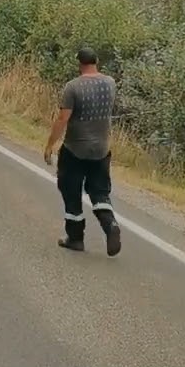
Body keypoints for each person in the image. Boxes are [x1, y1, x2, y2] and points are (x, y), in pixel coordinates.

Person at [43, 47, 122, 257]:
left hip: (75, 149)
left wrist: (50, 144)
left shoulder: (72, 87)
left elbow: (63, 119)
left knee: (71, 190)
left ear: (79, 63)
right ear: (96, 61)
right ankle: (111, 225)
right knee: (99, 191)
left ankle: (76, 238)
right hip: (102, 149)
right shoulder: (110, 83)